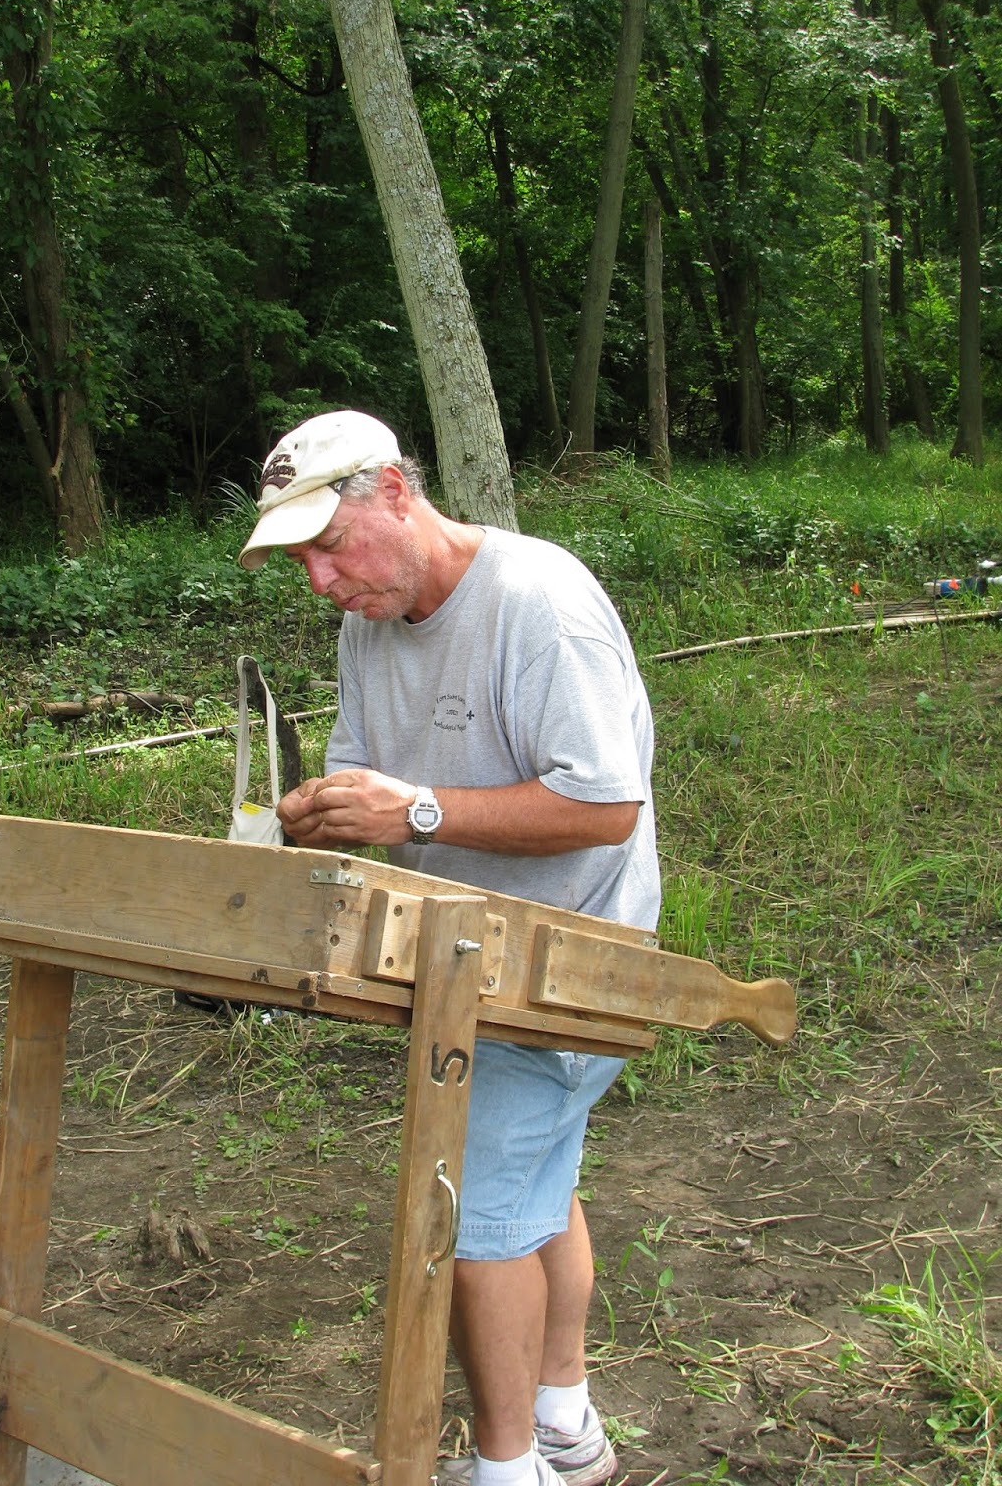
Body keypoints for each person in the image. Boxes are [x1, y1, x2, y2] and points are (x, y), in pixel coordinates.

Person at [239, 410, 660, 1486]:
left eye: (330, 546)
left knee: (473, 1222)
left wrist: (415, 810)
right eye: (301, 562)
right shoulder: (368, 625)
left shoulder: (537, 603)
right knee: (537, 1190)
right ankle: (565, 1420)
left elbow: (606, 803)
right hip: (460, 956)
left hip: (570, 956)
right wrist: (320, 814)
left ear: (392, 492)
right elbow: (363, 772)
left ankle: (508, 1466)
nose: (323, 582)